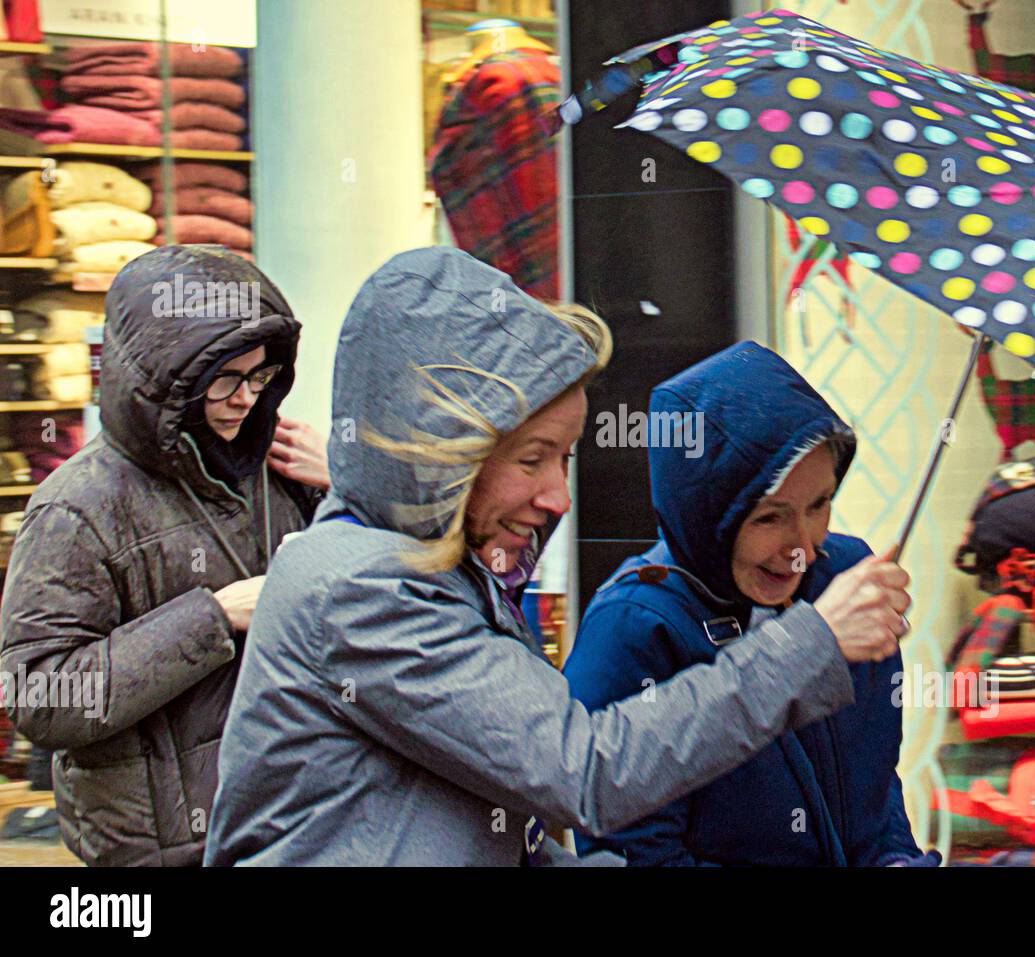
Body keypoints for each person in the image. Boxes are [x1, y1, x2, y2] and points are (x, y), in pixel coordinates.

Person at [204, 247, 912, 866]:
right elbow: (589, 769)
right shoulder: (364, 589)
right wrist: (811, 643)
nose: (558, 496)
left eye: (565, 457)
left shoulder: (444, 576)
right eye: (532, 458)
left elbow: (493, 826)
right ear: (442, 451)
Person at [0, 245, 330, 867]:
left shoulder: (284, 470)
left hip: (292, 824)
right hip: (156, 854)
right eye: (224, 380)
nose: (244, 399)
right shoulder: (75, 510)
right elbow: (40, 698)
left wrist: (345, 483)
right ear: (163, 378)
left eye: (260, 377)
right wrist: (213, 617)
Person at [564, 342, 937, 866]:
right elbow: (634, 854)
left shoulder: (846, 577)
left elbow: (875, 792)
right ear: (704, 510)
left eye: (820, 504)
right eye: (769, 517)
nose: (802, 547)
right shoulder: (634, 627)